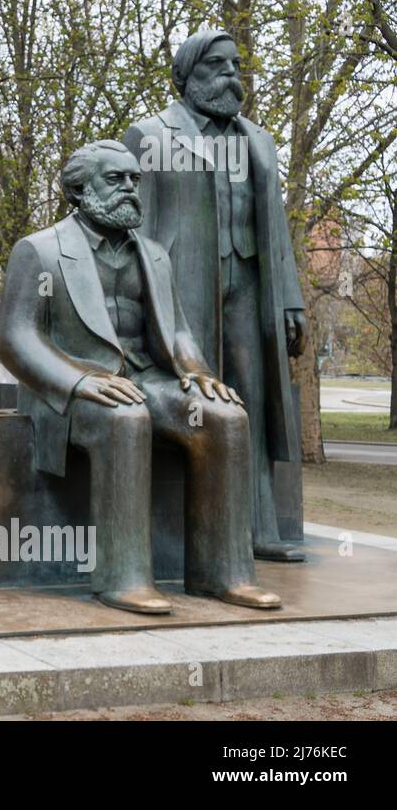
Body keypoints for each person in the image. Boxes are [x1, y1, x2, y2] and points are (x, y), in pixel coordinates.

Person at [0, 141, 281, 614]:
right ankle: (123, 577)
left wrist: (199, 372)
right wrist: (78, 381)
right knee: (125, 417)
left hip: (147, 378)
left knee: (225, 416)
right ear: (80, 189)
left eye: (134, 179)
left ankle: (223, 573)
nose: (130, 188)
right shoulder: (39, 251)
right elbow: (15, 339)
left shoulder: (154, 256)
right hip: (71, 387)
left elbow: (180, 332)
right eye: (116, 179)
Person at [122, 31, 307, 563]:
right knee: (197, 401)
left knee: (250, 395)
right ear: (186, 75)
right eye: (217, 66)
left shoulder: (258, 140)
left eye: (236, 65)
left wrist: (290, 298)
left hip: (248, 283)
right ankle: (194, 536)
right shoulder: (150, 135)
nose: (231, 75)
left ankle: (258, 528)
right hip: (181, 289)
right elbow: (130, 222)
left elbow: (275, 231)